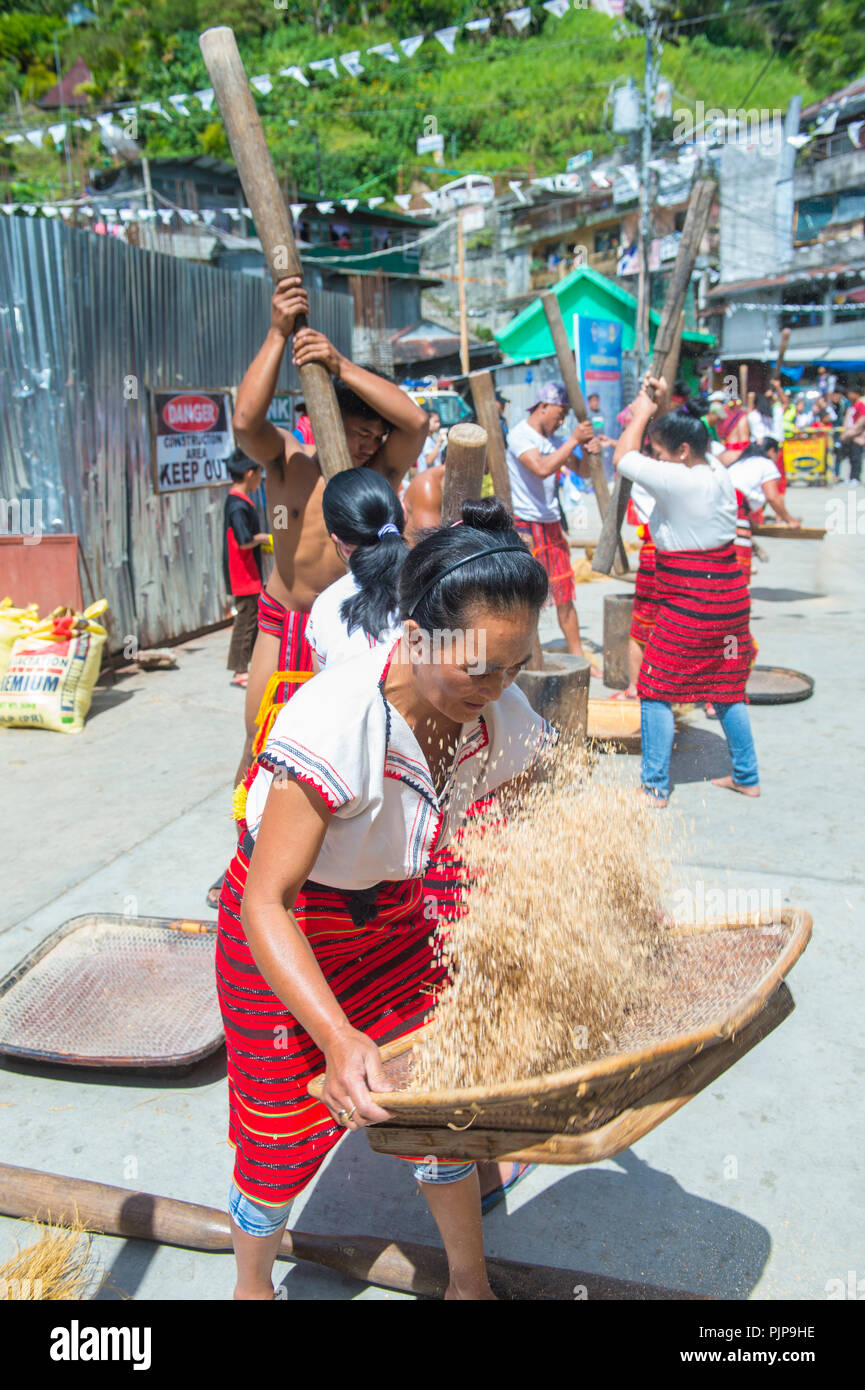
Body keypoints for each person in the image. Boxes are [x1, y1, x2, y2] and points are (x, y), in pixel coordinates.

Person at [216, 498, 555, 1300]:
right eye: (477, 666)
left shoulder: (497, 710)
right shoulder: (337, 721)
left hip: (395, 925)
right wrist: (336, 1038)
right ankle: (252, 1285)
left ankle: (468, 1285)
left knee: (440, 1109)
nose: (496, 687)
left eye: (514, 666)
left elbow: (542, 816)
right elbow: (269, 901)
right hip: (289, 937)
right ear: (414, 636)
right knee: (278, 1135)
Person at [205, 276, 429, 908]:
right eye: (355, 429)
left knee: (356, 749)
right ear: (323, 420)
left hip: (355, 627)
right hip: (287, 621)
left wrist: (340, 364)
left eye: (372, 434)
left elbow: (414, 419)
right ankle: (247, 860)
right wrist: (279, 331)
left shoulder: (380, 478)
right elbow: (246, 419)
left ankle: (347, 875)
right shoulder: (291, 465)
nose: (365, 441)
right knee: (262, 739)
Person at [613, 378, 759, 807]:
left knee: (655, 687)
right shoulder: (716, 470)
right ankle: (746, 776)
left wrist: (643, 408)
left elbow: (622, 457)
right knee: (728, 685)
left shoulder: (680, 479)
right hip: (731, 602)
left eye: (660, 453)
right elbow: (696, 435)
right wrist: (660, 405)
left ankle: (654, 787)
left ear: (680, 453)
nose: (655, 459)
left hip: (692, 605)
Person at [505, 382, 601, 676]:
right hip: (525, 523)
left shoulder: (556, 438)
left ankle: (578, 656)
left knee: (564, 591)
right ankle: (520, 658)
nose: (561, 421)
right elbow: (542, 468)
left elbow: (582, 471)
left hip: (551, 522)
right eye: (559, 414)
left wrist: (589, 450)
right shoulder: (520, 434)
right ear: (542, 407)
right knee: (525, 596)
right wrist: (573, 440)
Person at [306, 469, 406, 671]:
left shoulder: (325, 607)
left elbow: (322, 687)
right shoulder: (441, 585)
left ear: (340, 542)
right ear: (401, 515)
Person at [223, 451, 269, 690]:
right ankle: (240, 670)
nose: (261, 479)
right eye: (260, 473)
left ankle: (245, 666)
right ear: (250, 473)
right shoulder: (238, 505)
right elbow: (244, 540)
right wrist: (265, 538)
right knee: (246, 620)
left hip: (247, 571)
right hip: (243, 573)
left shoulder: (238, 501)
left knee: (250, 617)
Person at [839, 386, 865, 485]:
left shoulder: (860, 405)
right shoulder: (851, 405)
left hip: (856, 436)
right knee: (849, 457)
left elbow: (862, 420)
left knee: (856, 457)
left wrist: (851, 432)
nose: (849, 395)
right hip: (849, 435)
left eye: (851, 393)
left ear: (857, 394)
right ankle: (850, 477)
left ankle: (856, 477)